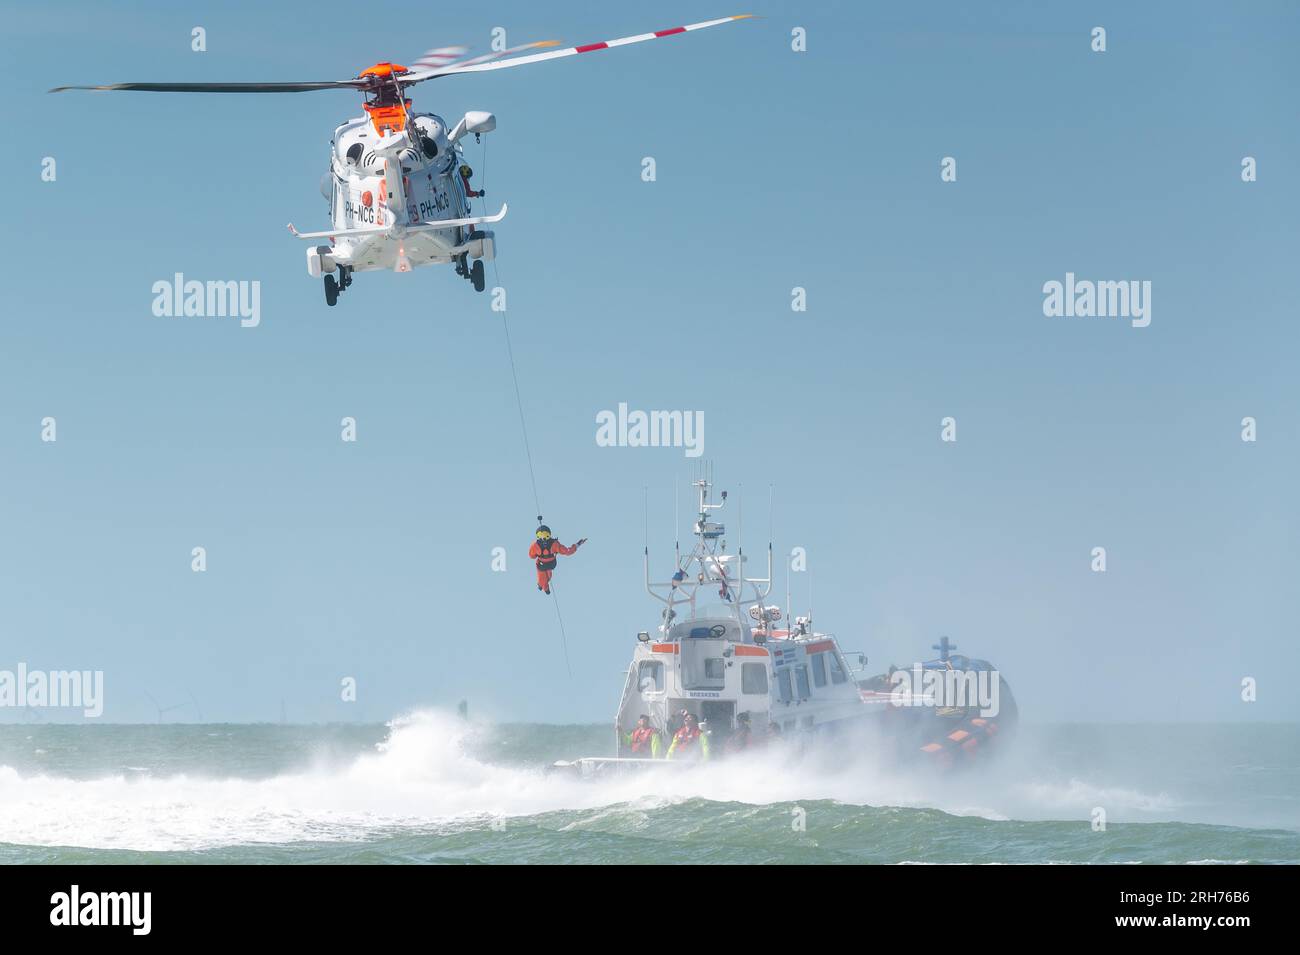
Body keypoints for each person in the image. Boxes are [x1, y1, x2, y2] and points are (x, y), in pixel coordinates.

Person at [529, 521, 586, 594]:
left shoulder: (537, 545)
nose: (543, 539)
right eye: (541, 536)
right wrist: (578, 544)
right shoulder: (554, 544)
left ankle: (542, 585)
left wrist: (578, 544)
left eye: (545, 536)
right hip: (548, 564)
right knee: (545, 577)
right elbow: (568, 551)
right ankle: (543, 586)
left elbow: (531, 556)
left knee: (545, 577)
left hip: (545, 564)